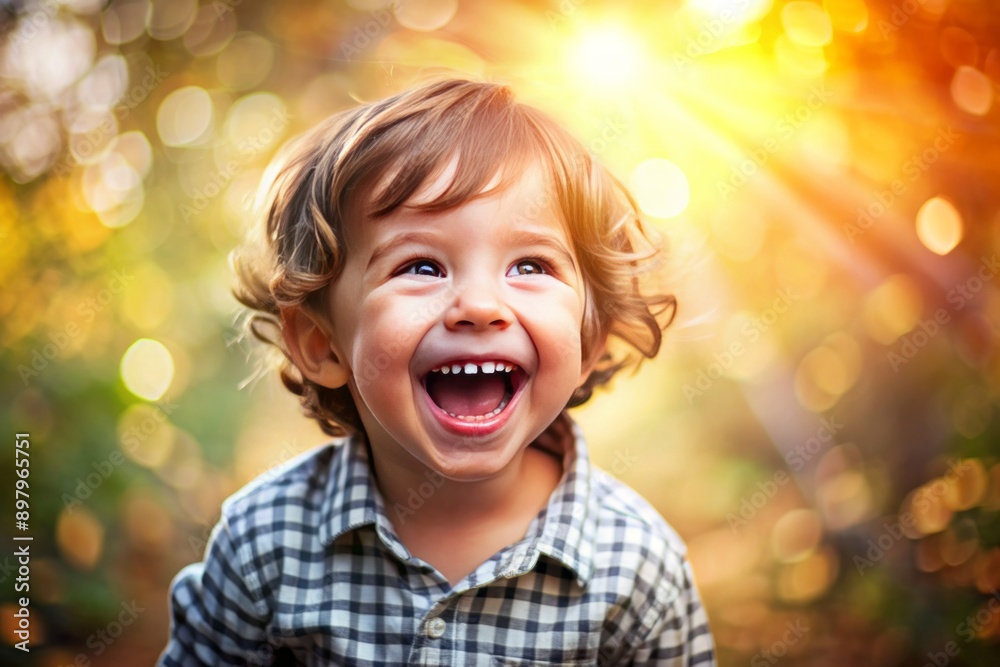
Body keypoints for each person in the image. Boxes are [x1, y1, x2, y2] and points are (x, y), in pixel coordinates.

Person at [159, 77, 716, 666]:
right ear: (322, 343)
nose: (479, 305)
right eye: (421, 266)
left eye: (530, 264)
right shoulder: (262, 546)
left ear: (587, 334)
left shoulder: (636, 570)